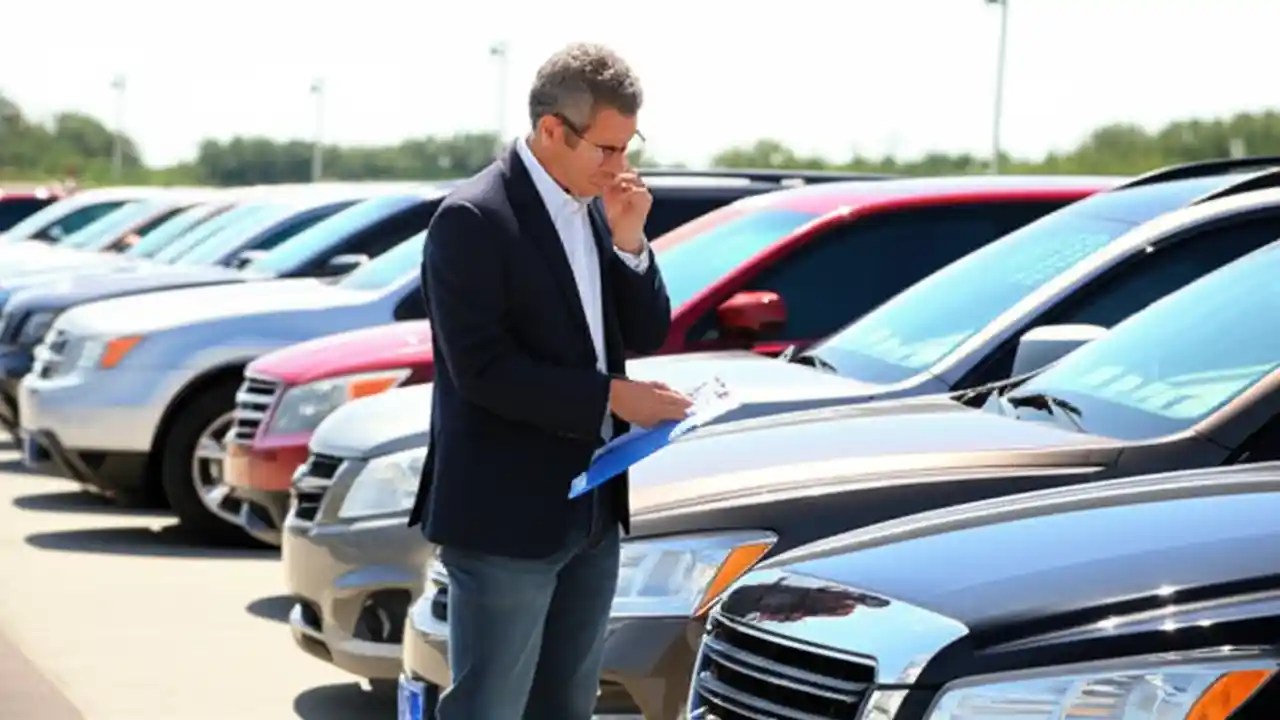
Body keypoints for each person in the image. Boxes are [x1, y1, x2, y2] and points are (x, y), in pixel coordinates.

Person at [409, 42, 694, 719]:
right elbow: (482, 371)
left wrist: (630, 242)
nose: (621, 166)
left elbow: (646, 331)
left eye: (629, 146)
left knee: (568, 705)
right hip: (506, 518)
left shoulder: (597, 204)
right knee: (490, 706)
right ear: (550, 131)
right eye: (607, 149)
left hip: (592, 510)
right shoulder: (473, 219)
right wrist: (609, 397)